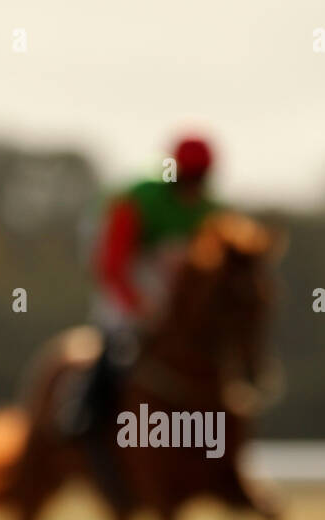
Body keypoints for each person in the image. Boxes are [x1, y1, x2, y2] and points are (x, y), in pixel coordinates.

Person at [63, 136, 220, 459]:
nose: (193, 187)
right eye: (188, 178)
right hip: (123, 265)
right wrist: (136, 304)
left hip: (164, 271)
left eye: (199, 179)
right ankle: (82, 409)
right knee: (119, 333)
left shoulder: (210, 210)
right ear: (175, 173)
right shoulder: (136, 200)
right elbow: (112, 264)